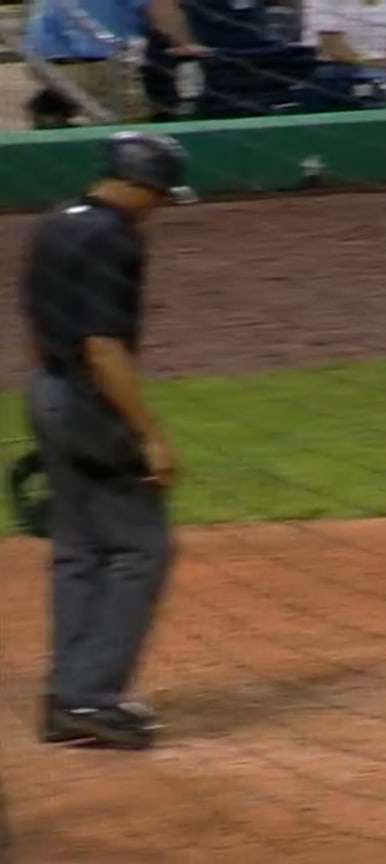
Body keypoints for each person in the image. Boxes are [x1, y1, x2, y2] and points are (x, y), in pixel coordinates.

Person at [20, 131, 195, 751]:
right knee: (142, 548)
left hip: (46, 388)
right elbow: (102, 346)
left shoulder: (55, 222)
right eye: (159, 193)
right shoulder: (114, 238)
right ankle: (90, 697)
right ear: (140, 183)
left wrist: (52, 416)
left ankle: (67, 696)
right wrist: (149, 435)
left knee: (79, 548)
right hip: (88, 400)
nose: (159, 206)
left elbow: (40, 325)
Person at [22, 0, 208, 128]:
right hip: (95, 59)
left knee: (82, 94)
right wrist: (185, 44)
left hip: (43, 57)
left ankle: (53, 107)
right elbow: (161, 8)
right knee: (133, 128)